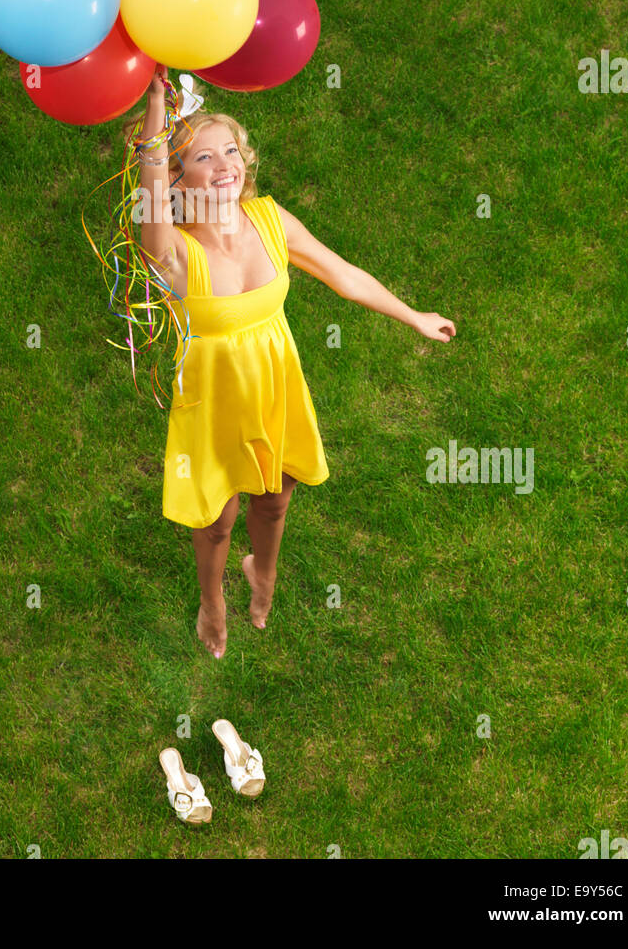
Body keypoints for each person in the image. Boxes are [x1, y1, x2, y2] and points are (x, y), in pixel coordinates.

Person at [125, 65, 456, 659]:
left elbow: (342, 274)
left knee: (277, 497)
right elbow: (148, 187)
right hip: (215, 400)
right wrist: (155, 105)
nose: (225, 165)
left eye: (231, 150)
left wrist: (414, 316)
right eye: (204, 158)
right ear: (179, 177)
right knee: (217, 521)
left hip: (276, 382)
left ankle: (263, 573)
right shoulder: (173, 250)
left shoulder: (270, 221)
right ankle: (211, 602)